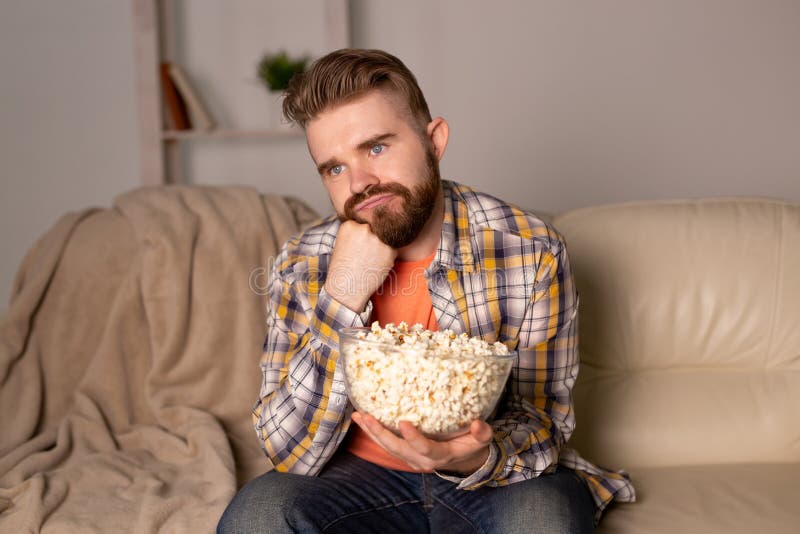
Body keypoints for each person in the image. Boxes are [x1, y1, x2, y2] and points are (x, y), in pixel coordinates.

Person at [218, 48, 634, 534]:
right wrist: (344, 295)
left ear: (434, 141)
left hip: (493, 478)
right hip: (352, 477)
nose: (360, 183)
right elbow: (286, 450)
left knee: (543, 522)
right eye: (334, 167)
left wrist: (474, 454)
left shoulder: (531, 250)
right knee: (255, 519)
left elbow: (544, 422)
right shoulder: (301, 262)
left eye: (376, 147)